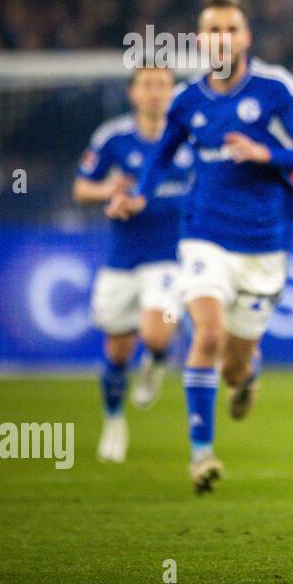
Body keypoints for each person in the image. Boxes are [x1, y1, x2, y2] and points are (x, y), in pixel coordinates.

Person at [107, 0, 293, 493]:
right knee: (205, 334)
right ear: (200, 40)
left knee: (233, 364)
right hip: (204, 235)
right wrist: (138, 196)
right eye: (213, 31)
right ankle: (201, 456)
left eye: (231, 30)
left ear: (245, 38)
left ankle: (246, 377)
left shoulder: (277, 90)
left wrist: (263, 152)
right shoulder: (187, 101)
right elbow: (160, 158)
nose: (222, 39)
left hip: (264, 245)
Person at [73, 65, 189, 462]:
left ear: (173, 93)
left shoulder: (189, 138)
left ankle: (157, 360)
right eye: (147, 85)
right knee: (118, 350)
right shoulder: (113, 138)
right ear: (133, 93)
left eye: (163, 85)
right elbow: (82, 187)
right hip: (122, 261)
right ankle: (114, 421)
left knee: (159, 333)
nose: (155, 92)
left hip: (172, 260)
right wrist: (109, 189)